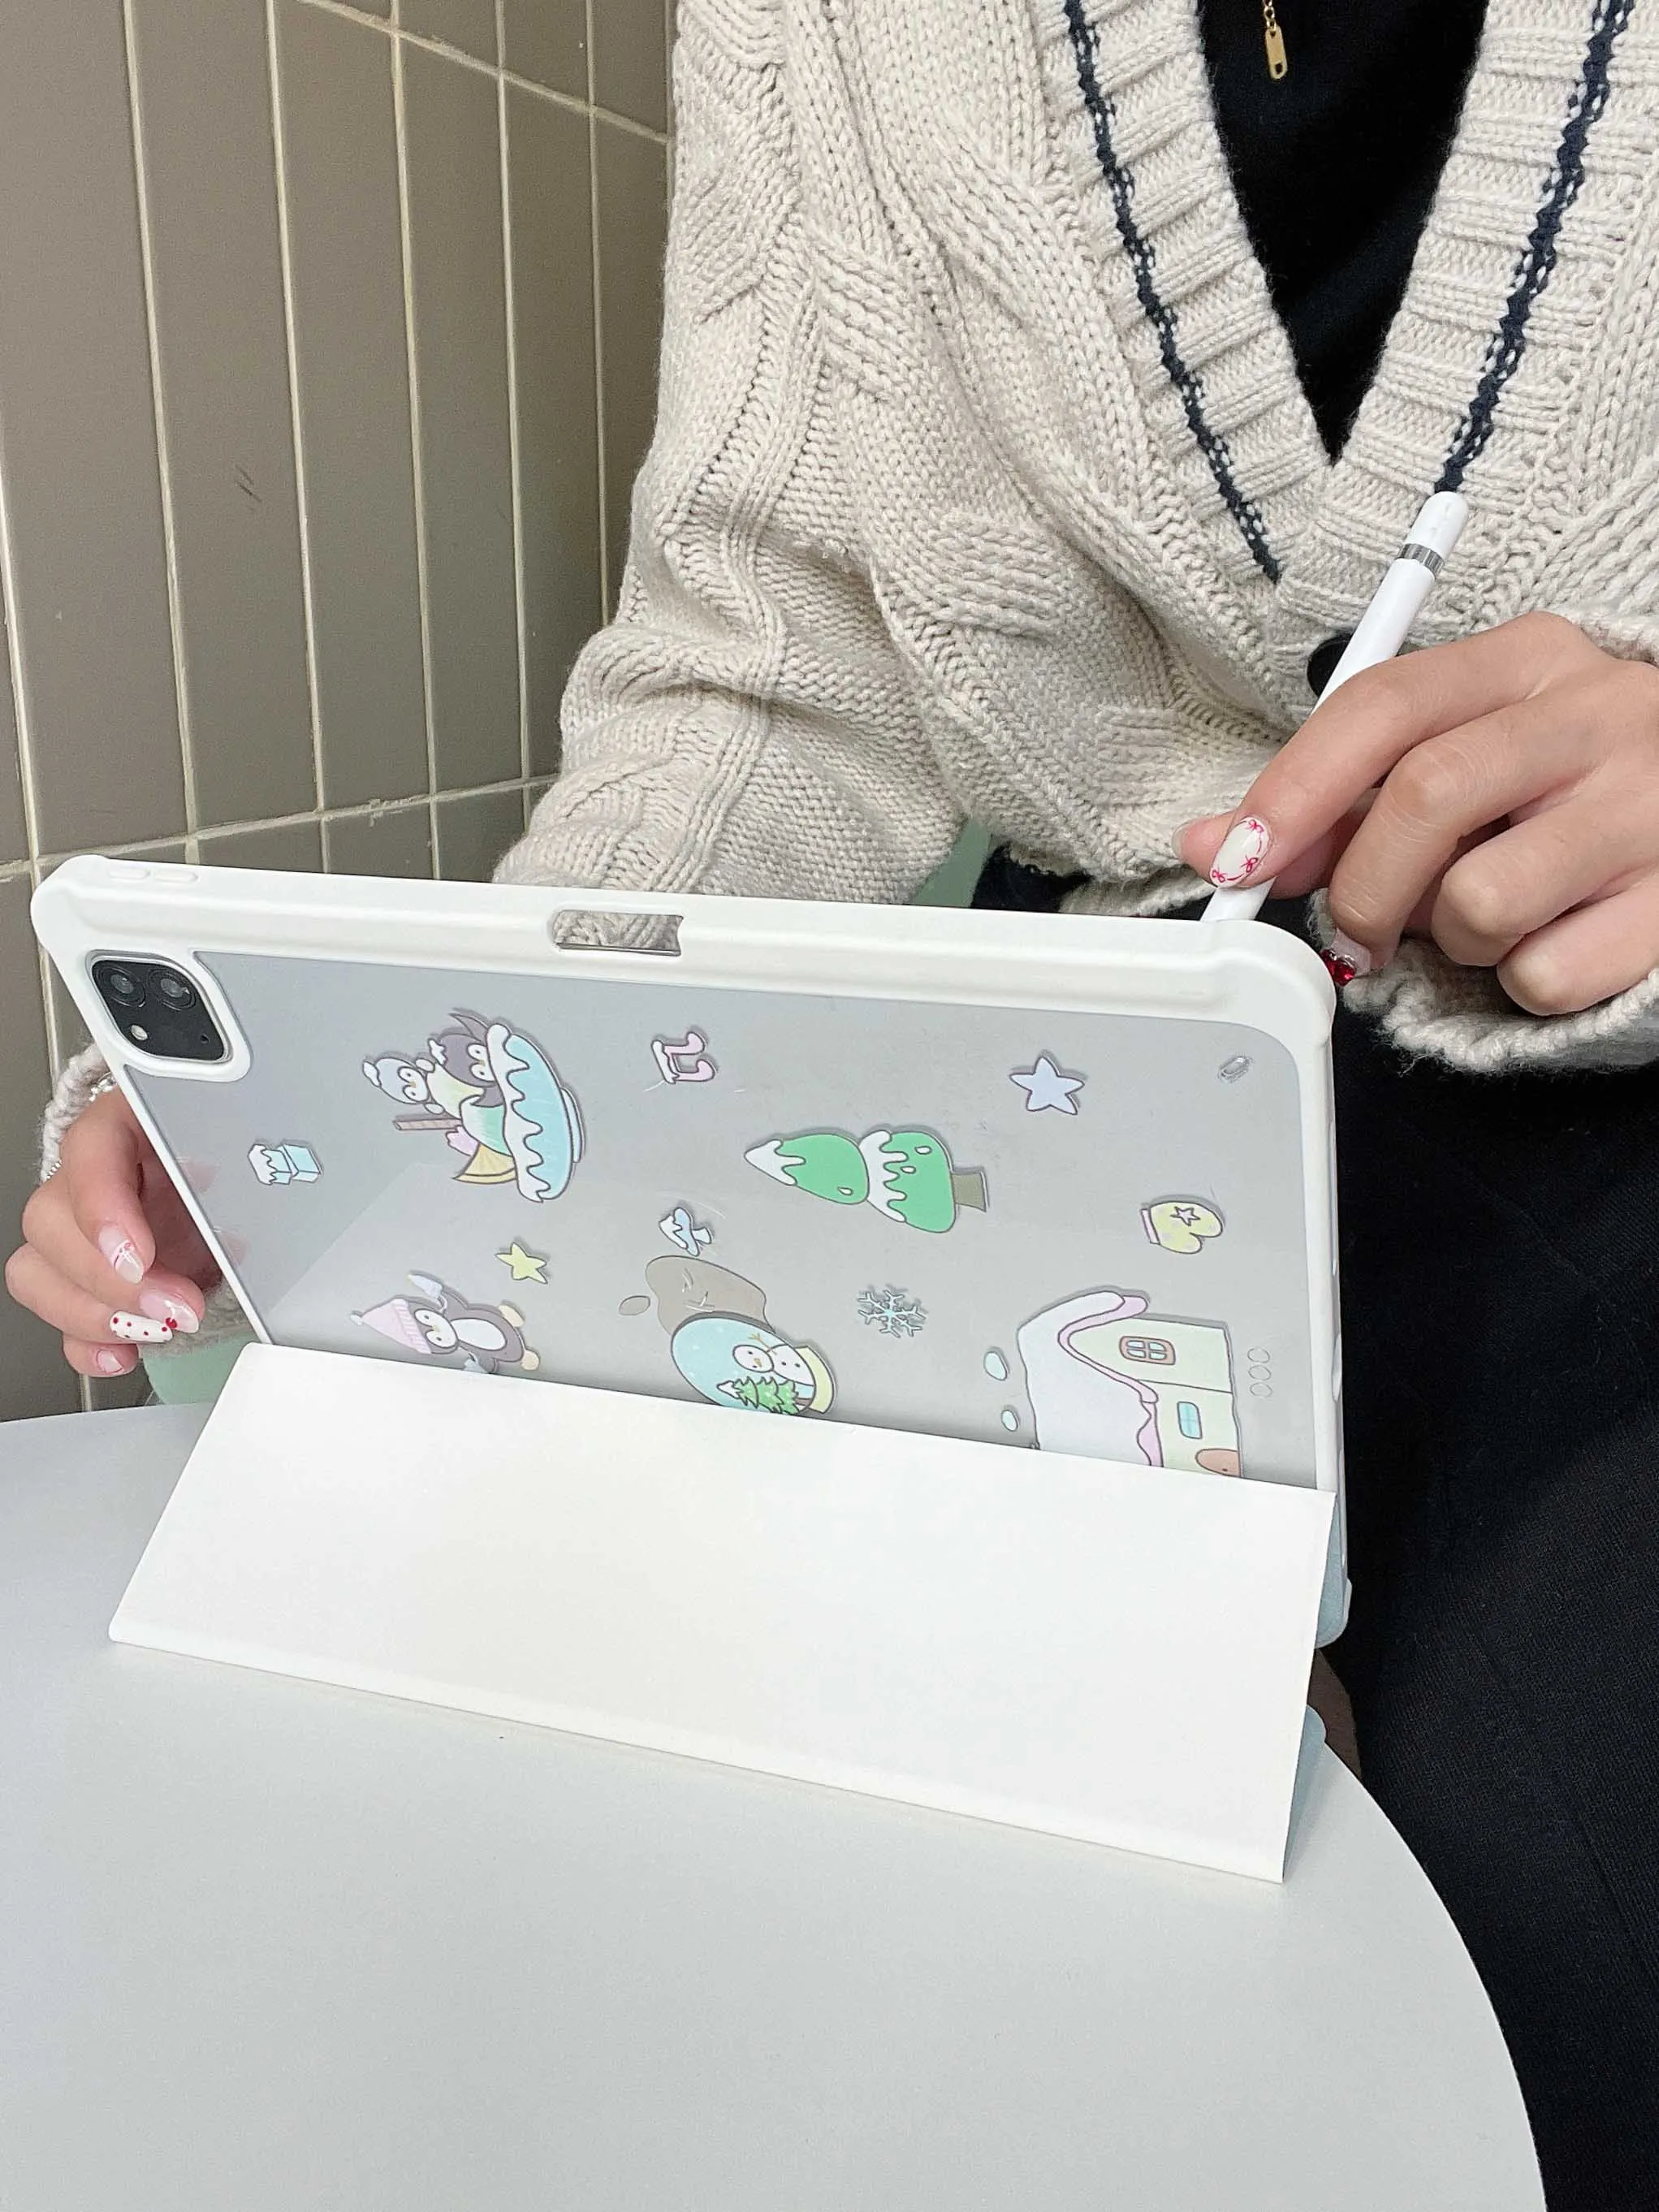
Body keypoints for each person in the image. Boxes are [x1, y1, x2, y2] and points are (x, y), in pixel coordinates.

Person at [10, 2, 1659, 2197]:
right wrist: (376, 1106)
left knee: (1540, 1972)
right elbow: (765, 666)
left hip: (1608, 1099)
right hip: (1070, 1070)